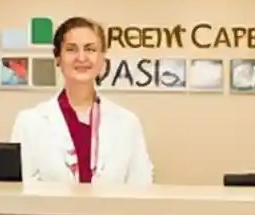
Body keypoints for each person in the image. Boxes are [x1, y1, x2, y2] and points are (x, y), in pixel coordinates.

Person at [10, 17, 153, 185]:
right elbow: (21, 191)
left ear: (102, 59)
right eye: (71, 49)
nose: (81, 57)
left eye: (90, 49)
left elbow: (141, 186)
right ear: (57, 58)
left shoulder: (128, 123)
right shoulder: (29, 122)